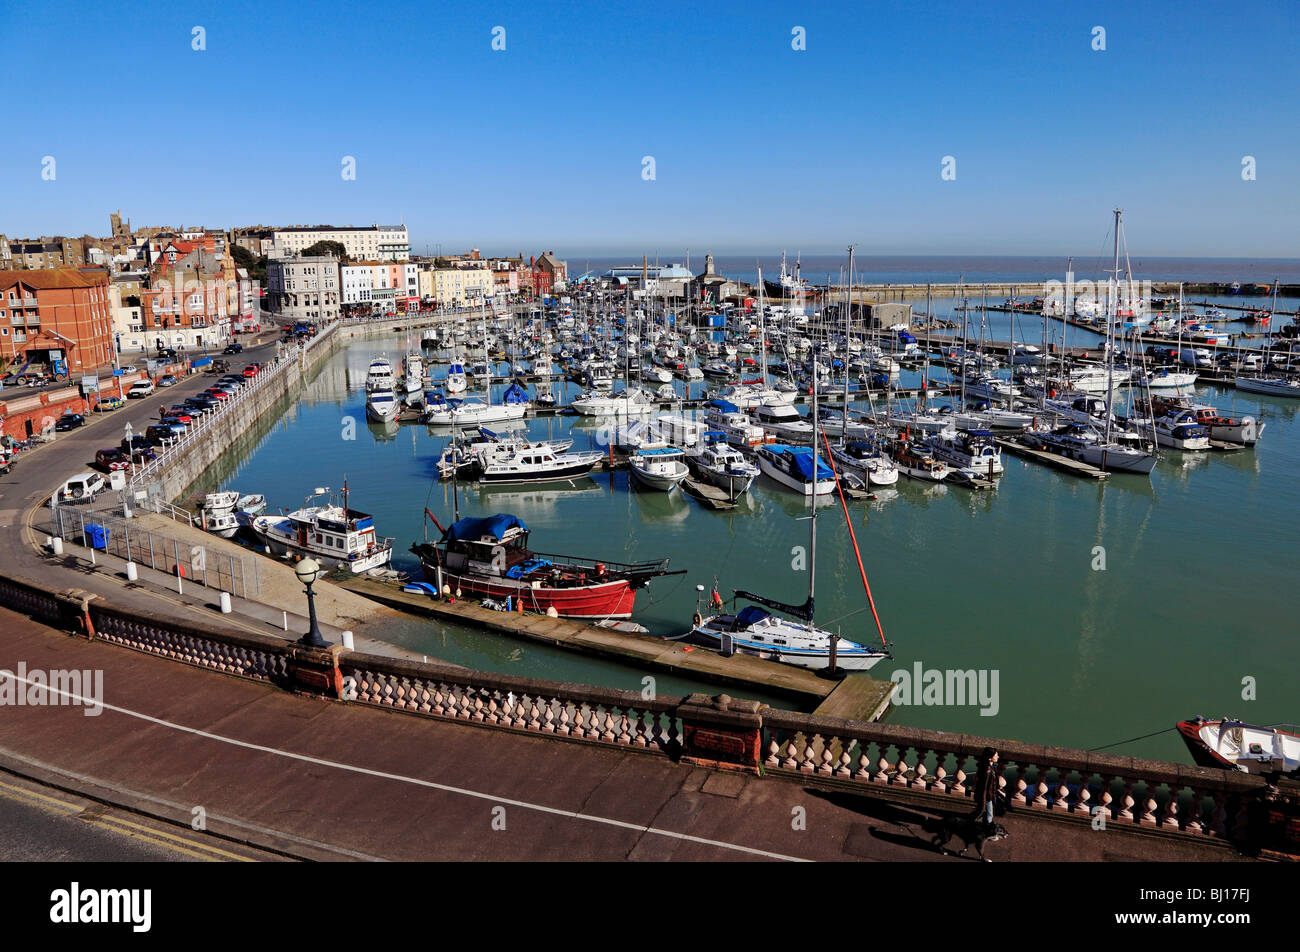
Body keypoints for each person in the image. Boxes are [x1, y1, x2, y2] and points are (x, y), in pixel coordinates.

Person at [972, 747, 1000, 831]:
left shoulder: (991, 767)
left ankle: (972, 824)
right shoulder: (988, 770)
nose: (998, 756)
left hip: (989, 795)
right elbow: (984, 788)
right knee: (988, 814)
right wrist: (984, 801)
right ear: (990, 758)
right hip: (987, 797)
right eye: (996, 755)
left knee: (982, 812)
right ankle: (987, 830)